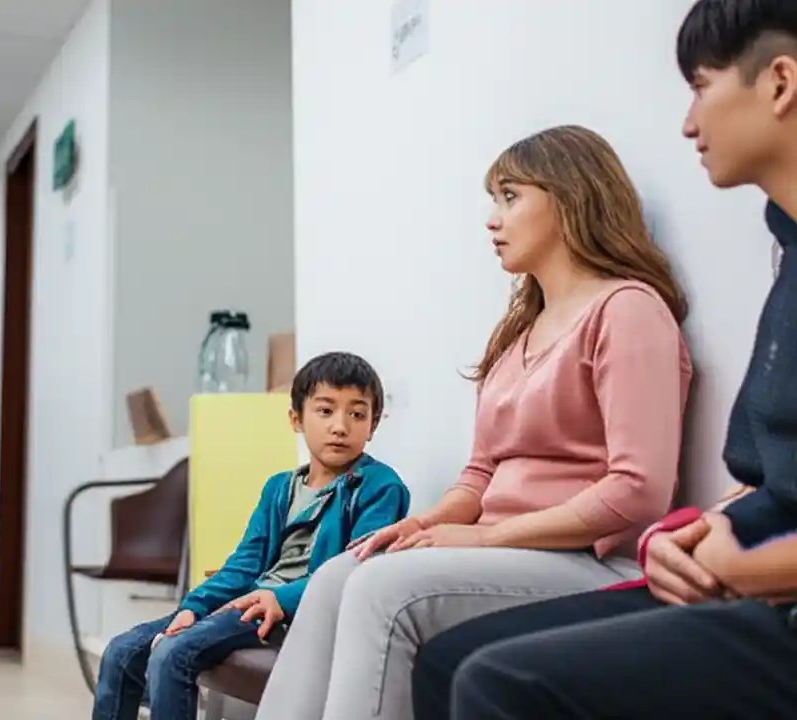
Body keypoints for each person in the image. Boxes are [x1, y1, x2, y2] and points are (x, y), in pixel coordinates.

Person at [411, 4, 797, 717]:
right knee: (445, 660)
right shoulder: (788, 265)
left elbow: (636, 486)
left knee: (491, 679)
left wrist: (742, 564)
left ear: (779, 83)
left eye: (701, 87)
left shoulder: (627, 311)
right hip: (733, 577)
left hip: (758, 593)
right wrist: (691, 538)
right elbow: (767, 487)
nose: (686, 124)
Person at [254, 125, 693, 720]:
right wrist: (421, 525)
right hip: (509, 553)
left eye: (510, 197)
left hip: (590, 561)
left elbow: (639, 490)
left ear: (570, 198)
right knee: (340, 573)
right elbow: (481, 473)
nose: (493, 218)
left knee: (382, 591)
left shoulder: (629, 311)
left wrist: (487, 535)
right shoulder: (517, 335)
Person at [91, 352, 410, 720]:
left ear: (372, 425)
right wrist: (192, 608)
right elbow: (244, 564)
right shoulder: (279, 488)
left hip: (299, 614)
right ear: (296, 418)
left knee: (172, 653)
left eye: (357, 414)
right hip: (249, 604)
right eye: (325, 411)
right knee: (122, 651)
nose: (341, 426)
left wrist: (281, 597)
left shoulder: (380, 487)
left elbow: (356, 571)